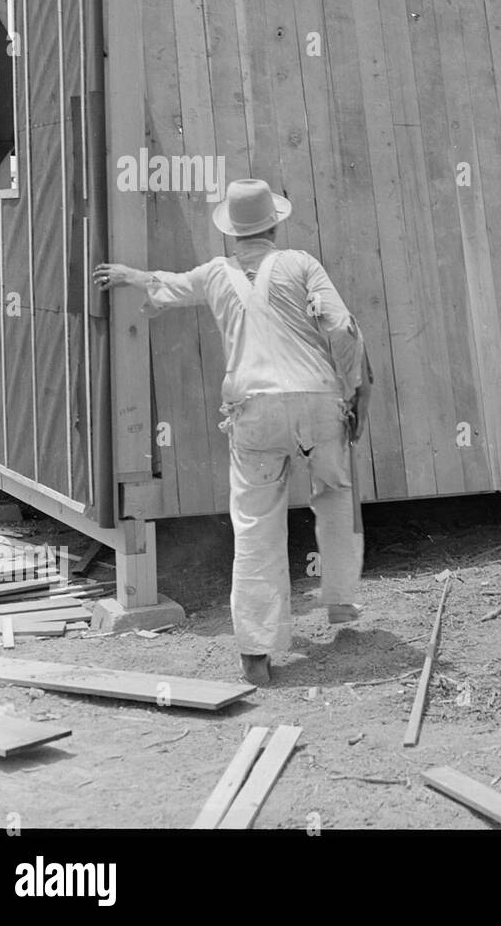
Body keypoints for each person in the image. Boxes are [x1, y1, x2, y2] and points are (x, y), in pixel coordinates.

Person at [94, 179, 372, 686]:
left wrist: (131, 276)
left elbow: (169, 284)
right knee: (334, 492)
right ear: (274, 225)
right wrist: (353, 390)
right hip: (317, 401)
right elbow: (341, 326)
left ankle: (256, 651)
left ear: (232, 232)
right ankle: (340, 600)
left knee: (256, 525)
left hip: (253, 409)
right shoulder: (301, 264)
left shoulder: (215, 274)